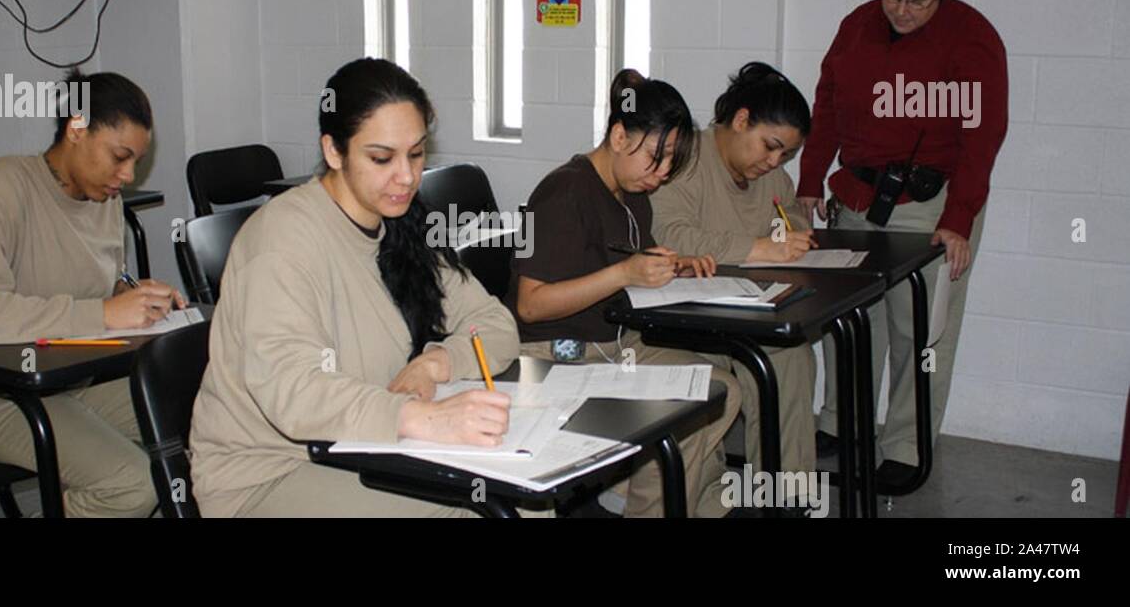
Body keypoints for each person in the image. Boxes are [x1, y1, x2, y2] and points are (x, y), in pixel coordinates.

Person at [189, 58, 521, 517]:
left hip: (360, 447)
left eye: (417, 153)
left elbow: (497, 326)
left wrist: (437, 363)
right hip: (269, 475)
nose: (406, 176)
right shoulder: (282, 240)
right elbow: (295, 391)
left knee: (526, 503)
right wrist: (424, 419)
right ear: (333, 151)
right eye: (382, 158)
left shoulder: (404, 226)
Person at [796, 0, 1007, 490]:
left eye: (916, 0)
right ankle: (842, 424)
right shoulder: (857, 27)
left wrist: (959, 218)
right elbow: (826, 108)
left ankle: (909, 447)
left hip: (931, 206)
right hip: (856, 198)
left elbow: (981, 140)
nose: (901, 10)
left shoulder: (971, 37)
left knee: (921, 334)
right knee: (848, 319)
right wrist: (808, 183)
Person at [506, 68, 743, 518]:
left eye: (671, 160)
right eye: (657, 157)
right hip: (557, 354)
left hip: (615, 345)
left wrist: (672, 268)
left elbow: (620, 264)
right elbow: (531, 305)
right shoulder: (561, 192)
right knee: (685, 411)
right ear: (619, 136)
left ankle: (637, 491)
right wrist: (624, 273)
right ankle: (647, 499)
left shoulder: (631, 191)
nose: (663, 173)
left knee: (721, 389)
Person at [0, 70, 179, 517]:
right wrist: (104, 312)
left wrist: (135, 296)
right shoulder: (0, 187)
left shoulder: (105, 200)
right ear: (76, 129)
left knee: (205, 415)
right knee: (132, 485)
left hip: (74, 382)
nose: (127, 176)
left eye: (136, 161)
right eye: (119, 157)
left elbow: (91, 288)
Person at [651, 61, 819, 477]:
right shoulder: (687, 156)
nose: (775, 160)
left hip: (746, 312)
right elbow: (672, 237)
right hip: (683, 314)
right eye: (771, 145)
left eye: (788, 154)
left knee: (793, 356)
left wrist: (792, 233)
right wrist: (761, 247)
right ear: (741, 120)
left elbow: (792, 216)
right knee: (761, 363)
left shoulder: (771, 175)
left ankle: (785, 496)